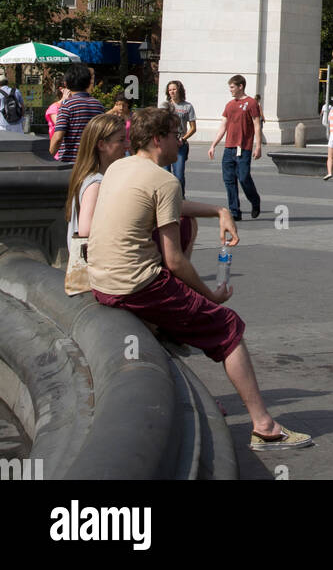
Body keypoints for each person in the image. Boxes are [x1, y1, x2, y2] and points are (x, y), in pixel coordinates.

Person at [87, 107, 311, 451]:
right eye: (175, 135)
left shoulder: (120, 166)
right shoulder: (165, 180)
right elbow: (174, 260)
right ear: (158, 139)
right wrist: (209, 296)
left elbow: (170, 207)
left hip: (102, 281)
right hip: (136, 285)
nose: (181, 141)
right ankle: (264, 427)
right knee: (228, 328)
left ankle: (170, 330)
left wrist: (219, 210)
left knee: (186, 225)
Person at [65, 113, 129, 253]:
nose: (127, 145)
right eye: (121, 140)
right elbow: (86, 231)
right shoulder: (96, 184)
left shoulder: (92, 177)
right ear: (101, 145)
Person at [208, 75, 262, 222]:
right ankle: (235, 211)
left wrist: (258, 146)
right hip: (229, 148)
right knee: (229, 180)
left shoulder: (251, 103)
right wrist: (213, 145)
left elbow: (257, 125)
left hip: (243, 148)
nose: (230, 90)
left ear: (240, 86)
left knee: (243, 177)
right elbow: (223, 126)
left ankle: (255, 200)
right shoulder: (229, 105)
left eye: (232, 87)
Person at [49, 64, 105, 165]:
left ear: (66, 84)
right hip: (93, 161)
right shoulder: (99, 105)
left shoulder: (67, 105)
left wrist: (47, 158)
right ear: (88, 83)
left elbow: (58, 137)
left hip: (70, 162)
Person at [163, 80, 196, 197]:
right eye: (170, 90)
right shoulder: (164, 106)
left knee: (179, 175)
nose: (172, 92)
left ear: (179, 90)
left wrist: (183, 138)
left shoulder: (187, 106)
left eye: (174, 89)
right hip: (165, 144)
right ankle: (166, 198)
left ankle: (181, 199)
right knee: (165, 174)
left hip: (180, 145)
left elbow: (193, 128)